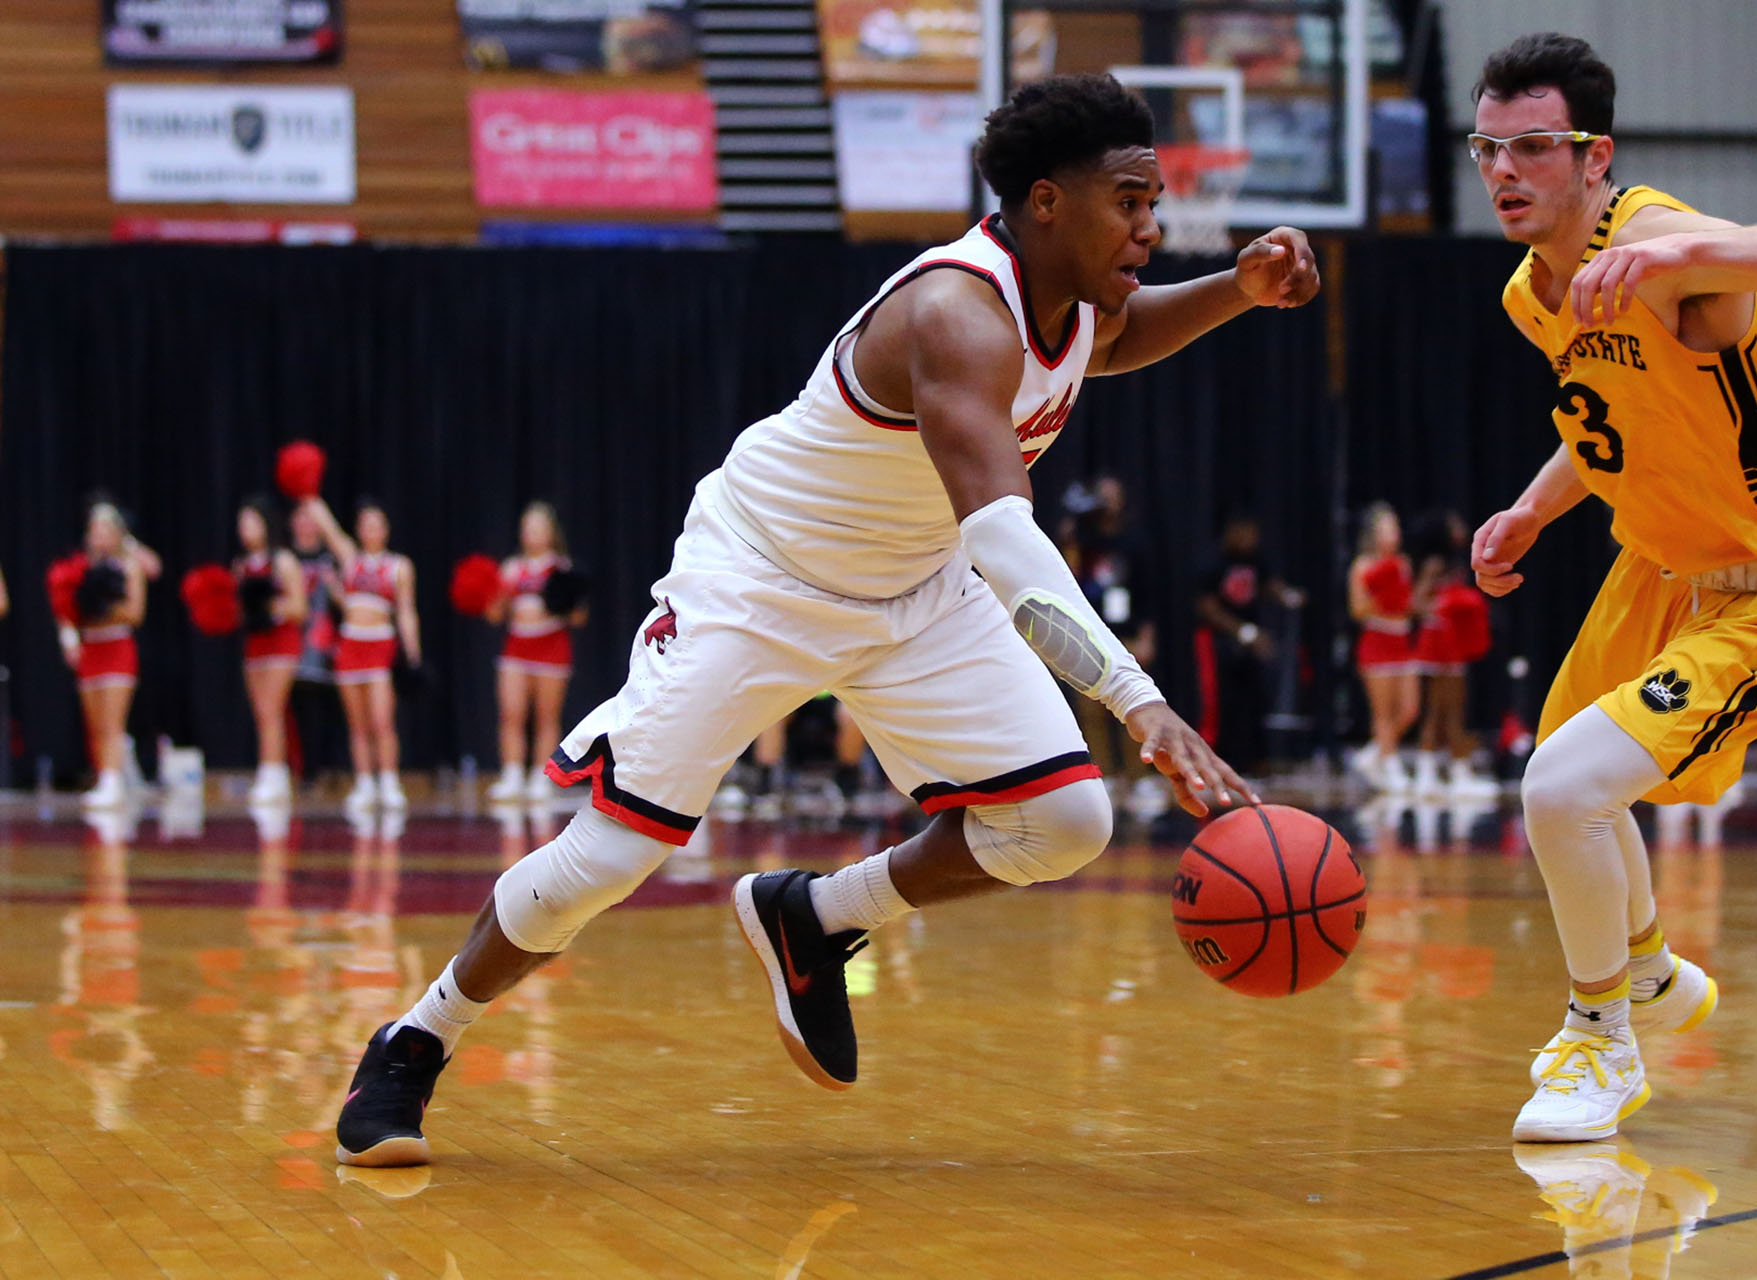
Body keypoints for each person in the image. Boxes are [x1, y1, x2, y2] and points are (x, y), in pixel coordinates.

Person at [333, 72, 1319, 1167]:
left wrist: (1238, 287)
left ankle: (820, 914)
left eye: (1154, 201)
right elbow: (1009, 543)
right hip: (763, 579)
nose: (1152, 224)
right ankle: (417, 1035)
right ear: (1045, 201)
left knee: (1063, 823)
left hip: (916, 587)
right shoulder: (953, 314)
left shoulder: (1074, 296)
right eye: (1130, 201)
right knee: (611, 854)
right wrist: (1144, 706)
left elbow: (1113, 339)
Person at [1466, 33, 1757, 1143]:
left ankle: (1603, 1035)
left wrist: (1696, 243)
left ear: (1595, 155)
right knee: (1562, 789)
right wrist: (1534, 509)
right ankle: (1646, 968)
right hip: (1657, 567)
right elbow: (1611, 419)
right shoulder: (1530, 291)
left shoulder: (1659, 243)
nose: (1506, 170)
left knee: (1564, 787)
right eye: (1489, 147)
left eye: (1535, 147)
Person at [302, 496, 421, 812]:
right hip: (350, 645)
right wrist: (308, 493)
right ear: (358, 530)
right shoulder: (350, 558)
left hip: (380, 644)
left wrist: (412, 653)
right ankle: (365, 783)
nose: (371, 530)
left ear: (386, 529)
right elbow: (327, 526)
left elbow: (407, 611)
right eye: (365, 525)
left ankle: (389, 781)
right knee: (357, 722)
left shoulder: (399, 566)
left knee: (382, 720)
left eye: (376, 524)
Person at [1061, 477, 1163, 813]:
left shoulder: (1133, 543)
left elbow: (1149, 595)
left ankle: (1139, 778)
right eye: (1100, 496)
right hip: (1090, 634)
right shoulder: (1082, 540)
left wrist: (1147, 637)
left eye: (1112, 496)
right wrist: (1070, 537)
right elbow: (1067, 582)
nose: (1106, 502)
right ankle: (1103, 775)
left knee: (1130, 706)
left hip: (1128, 634)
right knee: (1091, 710)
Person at [486, 502, 588, 807]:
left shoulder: (563, 568)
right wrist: (497, 596)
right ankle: (512, 775)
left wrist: (562, 604)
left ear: (550, 532)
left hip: (552, 649)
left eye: (539, 527)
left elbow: (579, 617)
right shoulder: (511, 568)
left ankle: (541, 778)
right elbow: (494, 616)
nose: (533, 533)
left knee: (546, 717)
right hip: (517, 648)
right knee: (511, 714)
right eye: (528, 527)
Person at [1192, 514, 1304, 782]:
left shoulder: (1254, 559)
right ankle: (1211, 761)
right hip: (1217, 639)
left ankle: (1252, 761)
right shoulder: (1213, 562)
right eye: (1246, 532)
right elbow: (1206, 607)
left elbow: (1268, 584)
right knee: (1218, 703)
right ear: (1233, 530)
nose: (1251, 539)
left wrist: (1287, 595)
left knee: (1253, 699)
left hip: (1250, 639)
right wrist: (1242, 631)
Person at [59, 502, 151, 810]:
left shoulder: (129, 566)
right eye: (94, 529)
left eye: (105, 529)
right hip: (91, 648)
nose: (99, 536)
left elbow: (135, 613)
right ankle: (105, 778)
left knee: (113, 723)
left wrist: (106, 606)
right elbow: (66, 611)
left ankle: (113, 781)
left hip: (117, 648)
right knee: (96, 723)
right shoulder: (79, 570)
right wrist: (70, 637)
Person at [1409, 509, 1498, 797]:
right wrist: (1445, 610)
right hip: (1435, 643)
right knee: (1439, 710)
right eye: (1454, 525)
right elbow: (1416, 604)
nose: (1461, 529)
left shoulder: (1454, 564)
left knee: (1453, 710)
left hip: (1453, 644)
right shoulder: (1435, 564)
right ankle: (1431, 774)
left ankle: (1443, 773)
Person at [234, 498, 309, 805]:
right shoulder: (241, 566)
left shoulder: (283, 561)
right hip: (256, 643)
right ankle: (270, 771)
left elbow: (300, 608)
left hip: (282, 642)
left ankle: (274, 774)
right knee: (261, 711)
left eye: (252, 521)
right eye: (242, 523)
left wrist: (270, 607)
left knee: (271, 709)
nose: (246, 529)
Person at [1348, 503, 1420, 791]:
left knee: (1410, 710)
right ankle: (1391, 767)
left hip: (1402, 640)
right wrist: (1383, 594)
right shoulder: (1362, 566)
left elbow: (1408, 604)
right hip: (1377, 641)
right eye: (1388, 528)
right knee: (1383, 714)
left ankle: (1371, 754)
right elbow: (1358, 610)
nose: (1395, 533)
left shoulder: (1403, 563)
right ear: (1373, 533)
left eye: (1396, 527)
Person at [287, 500, 347, 790]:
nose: (306, 524)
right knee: (300, 710)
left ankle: (334, 770)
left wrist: (335, 588)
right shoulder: (286, 557)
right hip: (293, 642)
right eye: (301, 517)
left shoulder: (330, 558)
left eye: (312, 519)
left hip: (326, 642)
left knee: (331, 708)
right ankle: (305, 771)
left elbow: (349, 600)